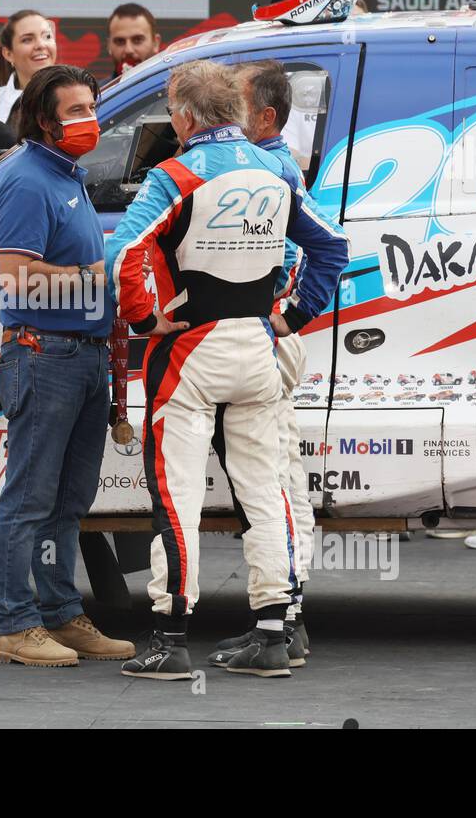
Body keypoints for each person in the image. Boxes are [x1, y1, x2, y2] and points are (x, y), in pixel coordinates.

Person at [106, 60, 348, 680]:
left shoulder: (175, 173)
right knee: (266, 494)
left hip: (191, 352)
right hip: (259, 346)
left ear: (185, 115)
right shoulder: (277, 167)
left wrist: (144, 319)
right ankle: (274, 637)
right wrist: (294, 315)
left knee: (176, 498)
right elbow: (332, 246)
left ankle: (171, 639)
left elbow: (125, 253)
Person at [0, 64, 133, 667]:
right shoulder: (26, 181)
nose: (88, 121)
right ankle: (15, 627)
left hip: (82, 358)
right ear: (44, 121)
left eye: (91, 108)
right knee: (29, 499)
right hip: (45, 356)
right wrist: (98, 278)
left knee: (68, 503)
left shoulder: (65, 177)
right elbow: (17, 275)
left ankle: (60, 616)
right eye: (74, 112)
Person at [205, 60, 319, 669]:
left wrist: (284, 314)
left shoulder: (263, 165)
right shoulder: (278, 163)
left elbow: (316, 250)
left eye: (234, 105)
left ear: (265, 117)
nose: (222, 115)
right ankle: (289, 620)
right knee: (282, 480)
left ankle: (278, 625)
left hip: (259, 338)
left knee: (268, 485)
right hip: (270, 337)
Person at [0, 10, 57, 125]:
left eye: (47, 36)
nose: (41, 45)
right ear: (8, 54)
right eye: (27, 40)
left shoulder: (79, 98)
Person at [105, 3, 162, 76]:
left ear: (156, 43)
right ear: (109, 45)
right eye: (120, 41)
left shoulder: (174, 86)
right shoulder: (97, 87)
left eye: (137, 40)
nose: (128, 50)